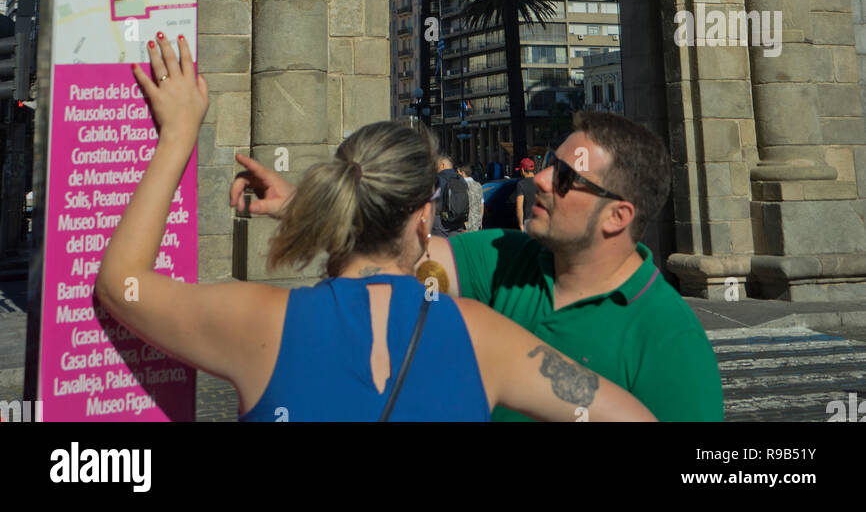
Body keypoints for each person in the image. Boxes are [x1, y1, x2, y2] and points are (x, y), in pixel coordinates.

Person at [94, 34, 655, 424]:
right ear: (423, 216)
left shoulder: (259, 322)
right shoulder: (485, 337)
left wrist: (178, 132)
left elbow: (122, 284)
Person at [243, 108, 723, 423]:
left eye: (567, 178)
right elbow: (398, 254)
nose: (539, 179)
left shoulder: (671, 340)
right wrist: (309, 204)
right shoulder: (503, 256)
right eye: (550, 164)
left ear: (618, 217)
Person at [431, 153, 469, 238]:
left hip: (440, 221)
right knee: (454, 247)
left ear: (442, 165)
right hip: (458, 219)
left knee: (440, 248)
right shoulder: (460, 178)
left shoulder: (438, 178)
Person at [458, 161, 484, 232]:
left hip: (464, 224)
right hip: (476, 223)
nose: (457, 175)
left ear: (462, 173)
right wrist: (480, 221)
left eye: (458, 172)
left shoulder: (459, 186)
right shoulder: (478, 185)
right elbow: (481, 205)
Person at [514, 157, 537, 232]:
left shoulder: (521, 184)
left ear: (523, 170)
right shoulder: (541, 180)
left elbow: (519, 207)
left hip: (528, 222)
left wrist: (521, 225)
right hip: (541, 220)